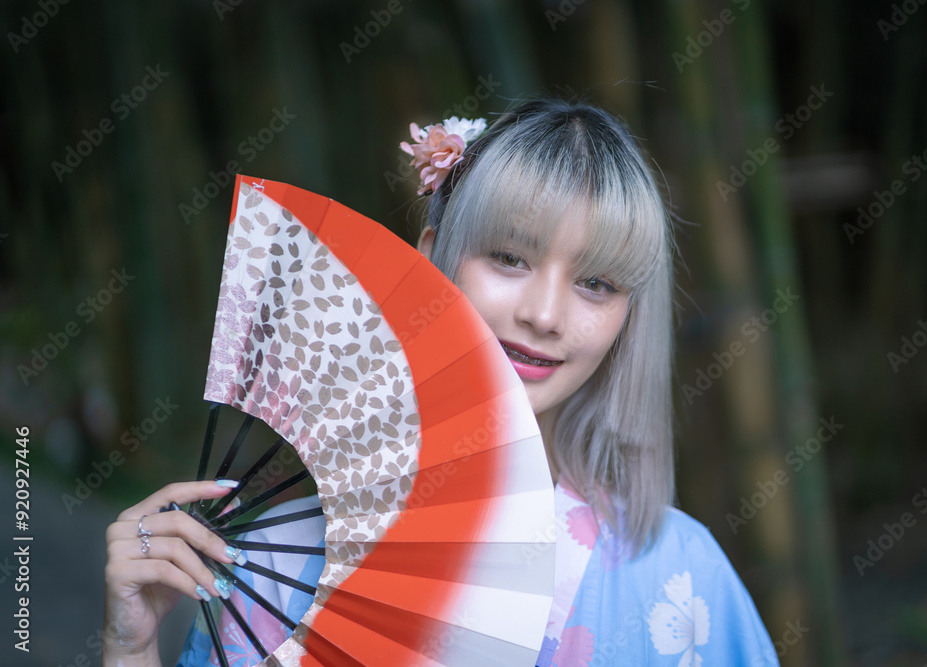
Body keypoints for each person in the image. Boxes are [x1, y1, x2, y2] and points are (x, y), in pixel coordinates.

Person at [103, 97, 779, 666]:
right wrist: (129, 646)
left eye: (596, 282)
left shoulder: (682, 573)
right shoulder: (270, 561)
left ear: (628, 315)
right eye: (510, 257)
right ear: (432, 262)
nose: (543, 314)